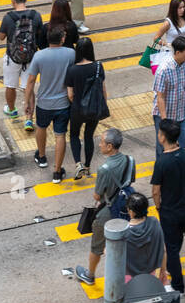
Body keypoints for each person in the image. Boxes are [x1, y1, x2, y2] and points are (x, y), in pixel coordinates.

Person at [74, 128, 134, 285]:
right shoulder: (130, 160)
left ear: (109, 146)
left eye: (101, 142)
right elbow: (130, 181)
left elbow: (97, 195)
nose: (99, 145)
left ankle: (90, 275)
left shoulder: (104, 169)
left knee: (97, 246)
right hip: (127, 208)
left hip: (108, 212)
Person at [151, 118, 185, 293]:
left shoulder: (162, 162)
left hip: (170, 212)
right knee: (175, 244)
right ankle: (172, 267)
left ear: (163, 137)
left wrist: (158, 208)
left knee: (171, 249)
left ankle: (178, 286)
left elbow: (156, 192)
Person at [25, 25, 76, 182]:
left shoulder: (39, 56)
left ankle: (41, 157)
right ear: (62, 39)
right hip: (63, 103)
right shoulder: (71, 53)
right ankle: (57, 172)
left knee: (41, 127)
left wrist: (27, 102)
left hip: (44, 103)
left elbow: (31, 81)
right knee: (60, 135)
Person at [63, 36, 106, 181]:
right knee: (89, 136)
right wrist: (102, 105)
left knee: (74, 135)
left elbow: (70, 95)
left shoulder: (72, 70)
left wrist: (77, 103)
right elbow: (103, 89)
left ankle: (78, 164)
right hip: (94, 108)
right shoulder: (98, 66)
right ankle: (87, 166)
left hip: (77, 109)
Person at [152, 36, 185, 159]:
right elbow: (160, 97)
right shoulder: (163, 70)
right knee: (163, 148)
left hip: (182, 113)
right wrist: (165, 121)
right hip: (165, 116)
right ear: (177, 52)